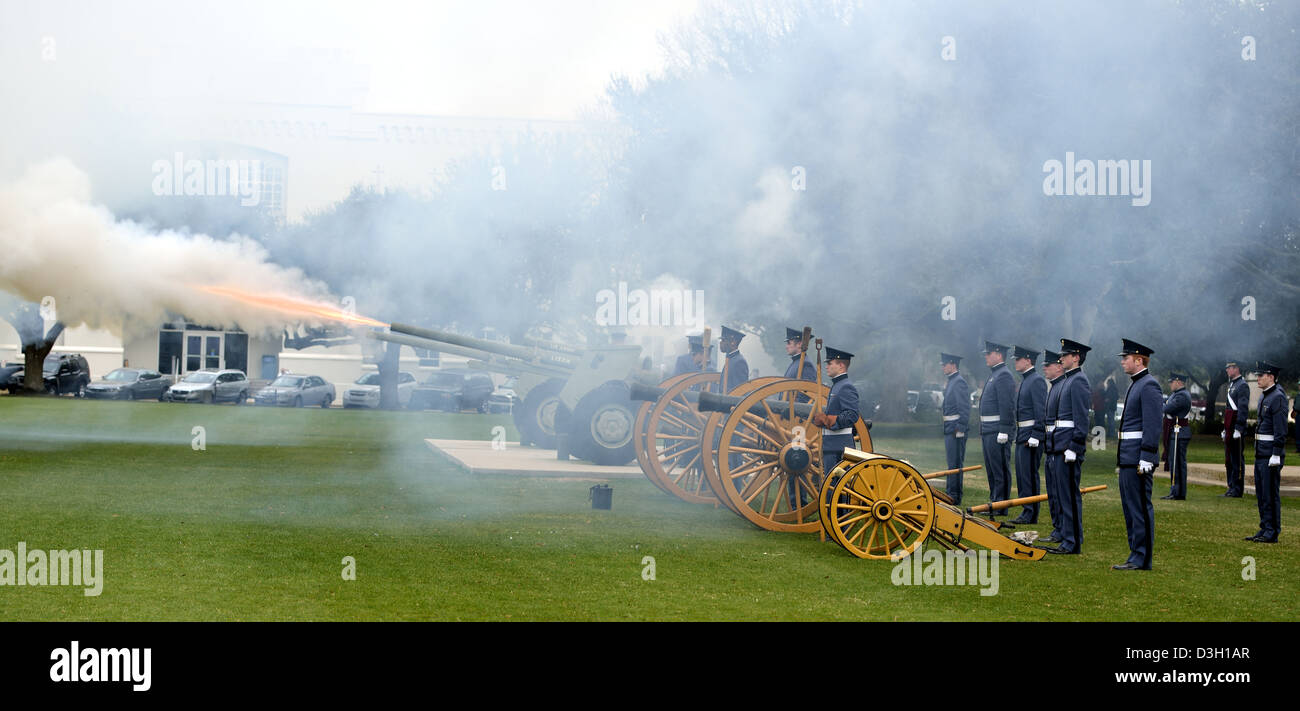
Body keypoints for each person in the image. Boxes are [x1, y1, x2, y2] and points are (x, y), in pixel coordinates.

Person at [1113, 339, 1162, 571]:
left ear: (1139, 360)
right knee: (1131, 508)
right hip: (1128, 457)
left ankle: (1142, 557)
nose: (1123, 361)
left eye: (1126, 358)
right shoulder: (1136, 384)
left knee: (1140, 508)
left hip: (1138, 458)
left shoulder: (1149, 385)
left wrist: (1147, 455)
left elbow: (1152, 425)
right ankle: (1135, 554)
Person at [1043, 338, 1091, 555]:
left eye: (1065, 355)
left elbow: (1081, 418)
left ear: (1076, 357)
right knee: (1062, 495)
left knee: (1070, 496)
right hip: (1060, 445)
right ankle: (1065, 535)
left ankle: (1072, 542)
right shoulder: (1067, 381)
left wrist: (1075, 444)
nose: (1061, 358)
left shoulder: (1078, 381)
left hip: (1068, 447)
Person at [1246, 361, 1287, 543]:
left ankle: (1272, 530)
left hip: (1270, 453)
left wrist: (1276, 453)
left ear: (1271, 377)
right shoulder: (1265, 396)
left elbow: (1280, 429)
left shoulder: (1277, 397)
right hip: (1261, 452)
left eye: (1261, 375)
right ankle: (1264, 527)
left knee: (1270, 494)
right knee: (1262, 494)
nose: (1258, 378)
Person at [977, 341, 1016, 520]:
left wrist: (1004, 429)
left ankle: (1001, 504)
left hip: (997, 431)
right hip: (988, 430)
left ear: (999, 355)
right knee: (992, 470)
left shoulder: (1004, 376)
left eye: (989, 353)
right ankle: (994, 501)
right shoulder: (996, 374)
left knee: (1000, 469)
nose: (986, 356)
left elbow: (1006, 405)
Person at [1010, 346, 1047, 524]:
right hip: (1022, 434)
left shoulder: (1036, 380)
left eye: (1018, 359)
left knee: (1029, 475)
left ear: (1028, 360)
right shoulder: (1027, 380)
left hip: (1030, 436)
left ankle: (1030, 511)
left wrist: (1037, 434)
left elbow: (1041, 410)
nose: (1015, 362)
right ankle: (1027, 510)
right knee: (1023, 475)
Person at [813, 347, 859, 481]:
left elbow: (851, 415)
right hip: (832, 446)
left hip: (839, 447)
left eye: (830, 363)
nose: (826, 366)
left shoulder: (846, 386)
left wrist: (828, 421)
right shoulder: (837, 385)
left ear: (841, 365)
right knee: (831, 487)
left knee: (836, 488)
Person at [1041, 350, 1067, 543]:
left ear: (1059, 367)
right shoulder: (1055, 387)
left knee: (1060, 492)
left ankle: (1062, 529)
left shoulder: (1062, 386)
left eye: (1048, 365)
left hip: (1059, 445)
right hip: (1051, 445)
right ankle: (1057, 527)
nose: (1044, 368)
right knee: (1053, 491)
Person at [940, 352, 971, 505]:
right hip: (950, 428)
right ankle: (950, 492)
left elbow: (964, 408)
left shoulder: (959, 382)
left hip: (955, 429)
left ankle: (954, 495)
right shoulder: (952, 381)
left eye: (944, 364)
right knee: (952, 463)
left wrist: (961, 428)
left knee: (955, 464)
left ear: (953, 364)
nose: (942, 367)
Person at [1161, 372, 1192, 500]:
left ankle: (1178, 492)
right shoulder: (1176, 395)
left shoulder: (1182, 396)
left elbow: (1167, 408)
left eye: (1172, 382)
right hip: (1175, 432)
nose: (1170, 384)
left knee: (1178, 464)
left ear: (1178, 382)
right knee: (1175, 463)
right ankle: (1175, 490)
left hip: (1180, 432)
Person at [1222, 361, 1249, 497]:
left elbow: (1243, 408)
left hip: (1236, 426)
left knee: (1237, 458)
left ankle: (1237, 488)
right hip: (1229, 425)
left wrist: (1239, 427)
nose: (1227, 370)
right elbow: (1228, 408)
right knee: (1230, 458)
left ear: (1236, 368)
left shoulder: (1242, 385)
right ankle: (1231, 486)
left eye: (1229, 368)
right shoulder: (1232, 385)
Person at [719, 325, 749, 393]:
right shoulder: (730, 359)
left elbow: (739, 391)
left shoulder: (739, 362)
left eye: (723, 340)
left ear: (733, 342)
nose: (721, 343)